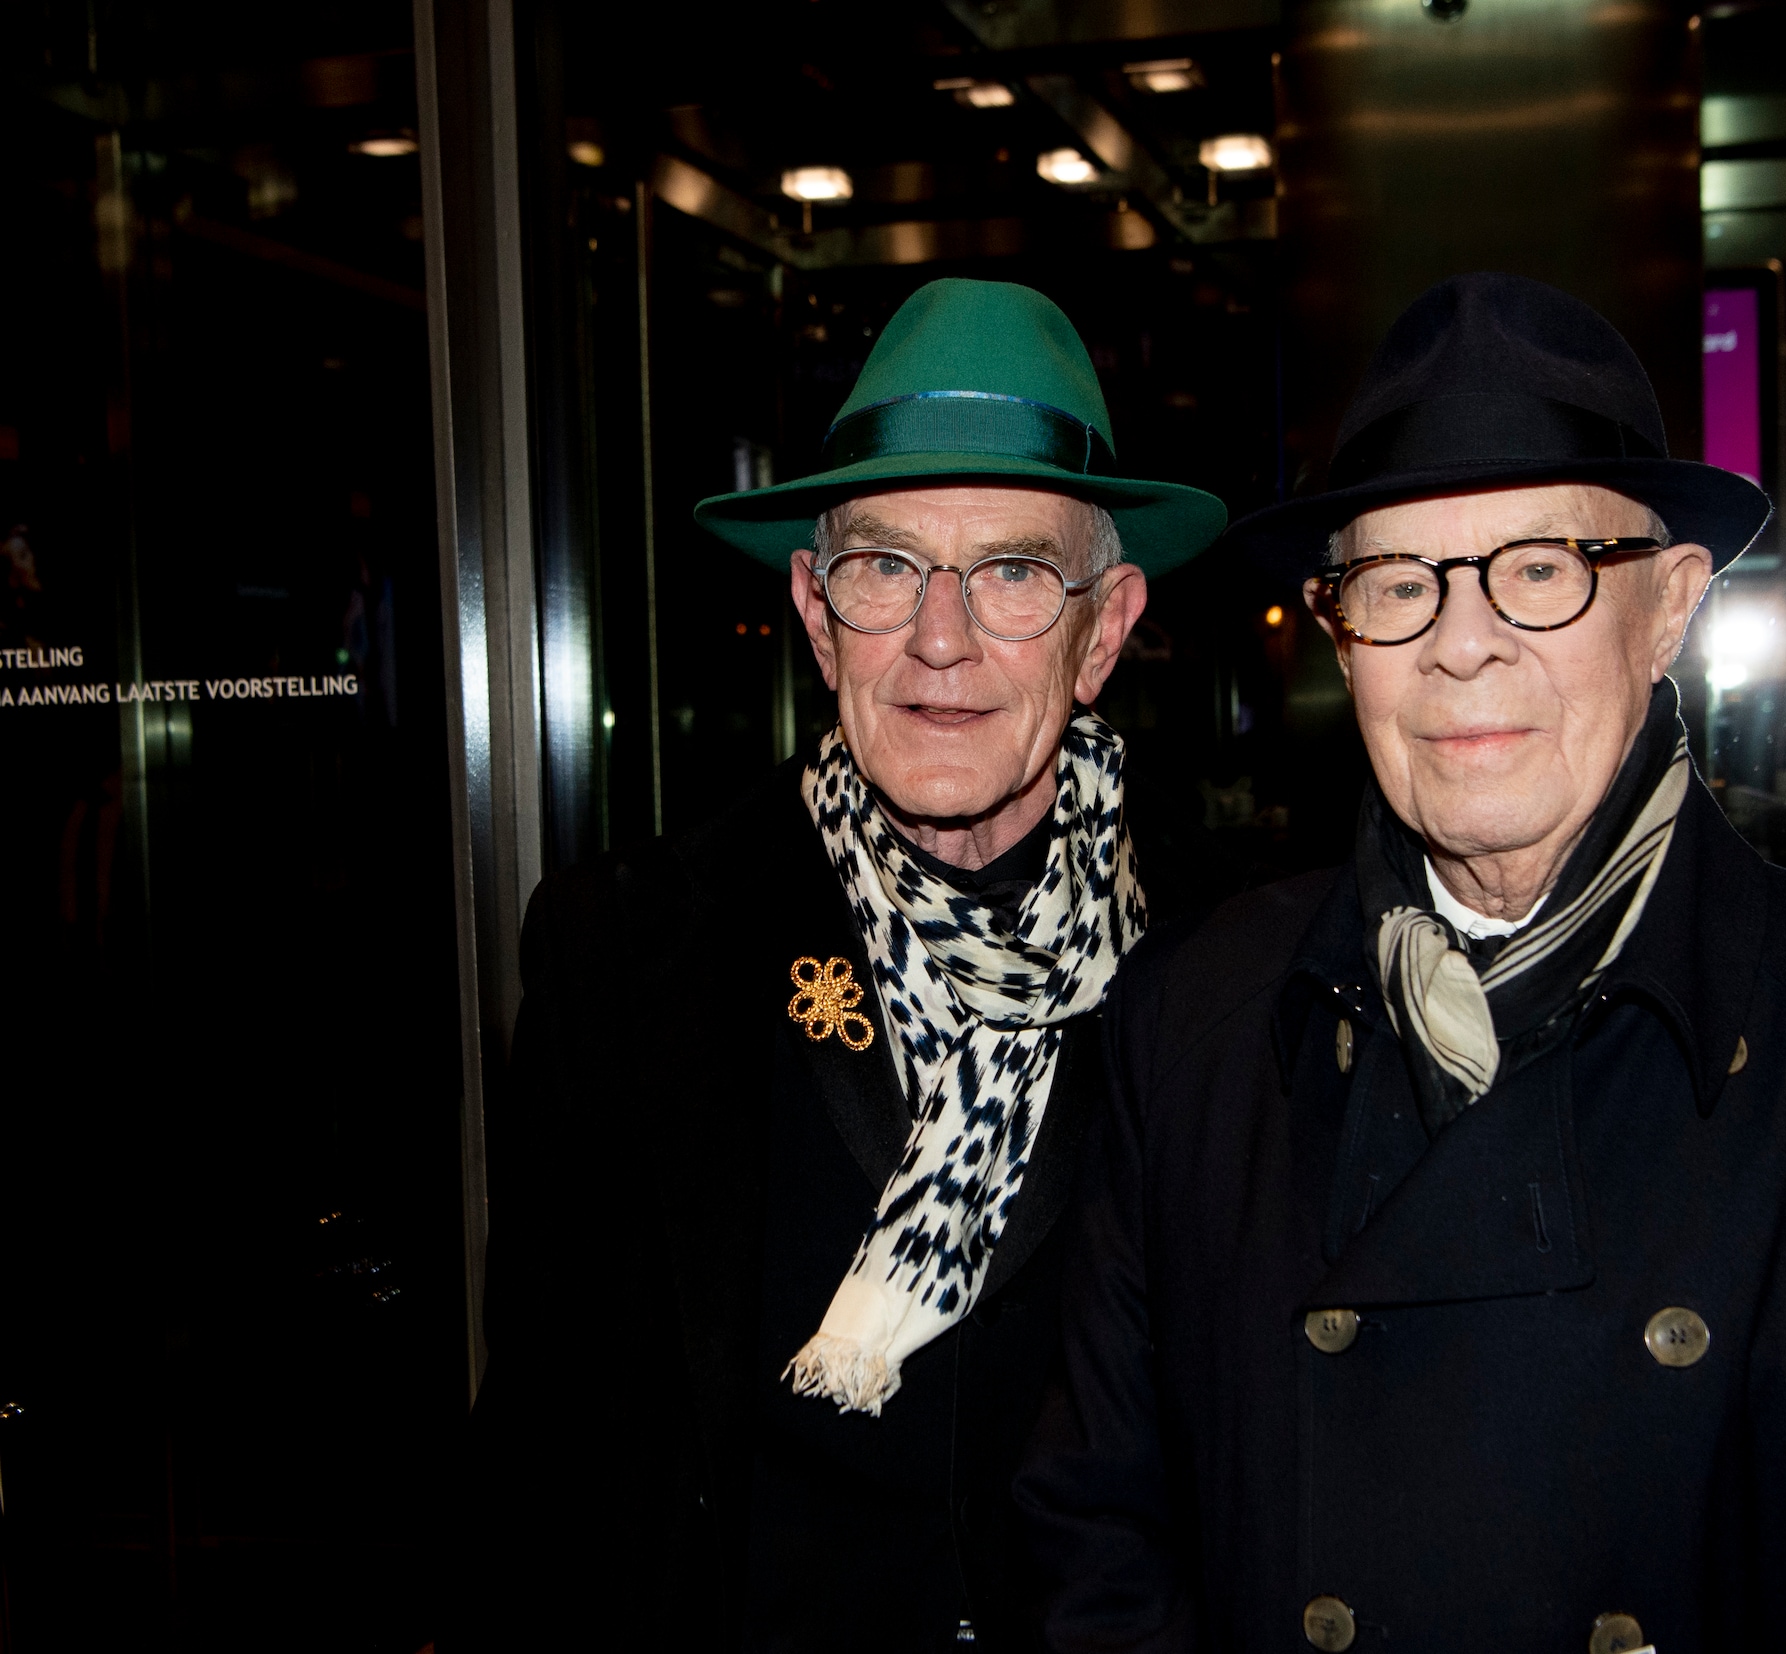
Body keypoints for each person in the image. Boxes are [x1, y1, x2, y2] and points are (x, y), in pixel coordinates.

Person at [1019, 273, 1786, 1654]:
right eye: (1398, 582)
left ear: (1671, 608)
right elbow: (1096, 1543)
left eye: (1540, 569)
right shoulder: (1193, 1022)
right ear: (1342, 640)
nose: (1462, 644)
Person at [448, 279, 1225, 1653]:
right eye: (885, 565)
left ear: (1103, 630)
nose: (942, 636)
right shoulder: (624, 958)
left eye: (1014, 571)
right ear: (817, 612)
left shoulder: (1236, 958)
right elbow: (543, 1474)